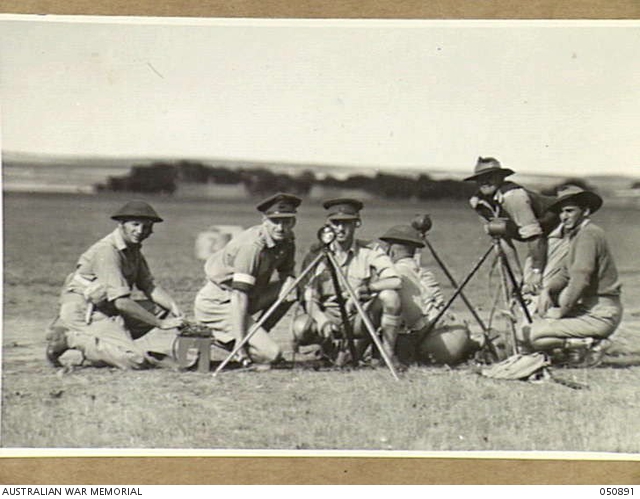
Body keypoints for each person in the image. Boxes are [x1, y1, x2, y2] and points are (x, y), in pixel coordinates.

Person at [45, 200, 188, 370]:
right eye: (135, 225)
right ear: (121, 225)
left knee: (160, 307)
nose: (140, 231)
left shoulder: (133, 249)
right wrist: (161, 324)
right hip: (83, 310)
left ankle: (112, 341)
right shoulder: (107, 251)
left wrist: (175, 308)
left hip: (106, 307)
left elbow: (148, 285)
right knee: (135, 360)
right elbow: (121, 302)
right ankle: (69, 338)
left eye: (146, 226)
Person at [291, 198, 403, 367]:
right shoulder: (317, 254)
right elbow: (309, 298)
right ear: (328, 225)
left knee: (390, 297)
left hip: (359, 317)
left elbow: (395, 281)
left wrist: (365, 289)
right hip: (328, 317)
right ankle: (330, 348)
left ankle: (387, 355)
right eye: (336, 223)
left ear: (357, 224)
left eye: (347, 223)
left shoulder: (370, 250)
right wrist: (322, 321)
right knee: (301, 327)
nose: (341, 229)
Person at [194, 193, 301, 368]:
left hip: (247, 298)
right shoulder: (251, 246)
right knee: (272, 355)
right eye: (276, 221)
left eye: (286, 221)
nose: (281, 227)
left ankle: (257, 334)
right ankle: (225, 338)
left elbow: (287, 275)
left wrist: (291, 283)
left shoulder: (288, 240)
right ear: (264, 220)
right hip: (219, 303)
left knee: (291, 288)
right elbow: (239, 296)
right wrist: (240, 342)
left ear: (293, 222)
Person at [525, 185, 623, 366]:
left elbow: (580, 278)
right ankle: (575, 351)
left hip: (601, 313)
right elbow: (564, 272)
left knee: (535, 335)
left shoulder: (589, 235)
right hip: (588, 308)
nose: (564, 217)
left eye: (570, 211)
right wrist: (547, 290)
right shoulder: (577, 235)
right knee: (530, 330)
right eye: (561, 212)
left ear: (585, 211)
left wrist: (561, 312)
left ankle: (590, 345)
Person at [465, 157, 565, 294]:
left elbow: (534, 237)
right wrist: (517, 275)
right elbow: (502, 239)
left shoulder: (513, 197)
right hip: (539, 238)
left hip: (558, 229)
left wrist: (537, 271)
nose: (485, 181)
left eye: (490, 177)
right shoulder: (478, 203)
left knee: (540, 284)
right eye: (480, 178)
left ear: (501, 178)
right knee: (523, 286)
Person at [378, 225, 475, 365]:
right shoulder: (425, 273)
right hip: (458, 331)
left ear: (391, 251)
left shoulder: (392, 273)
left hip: (435, 344)